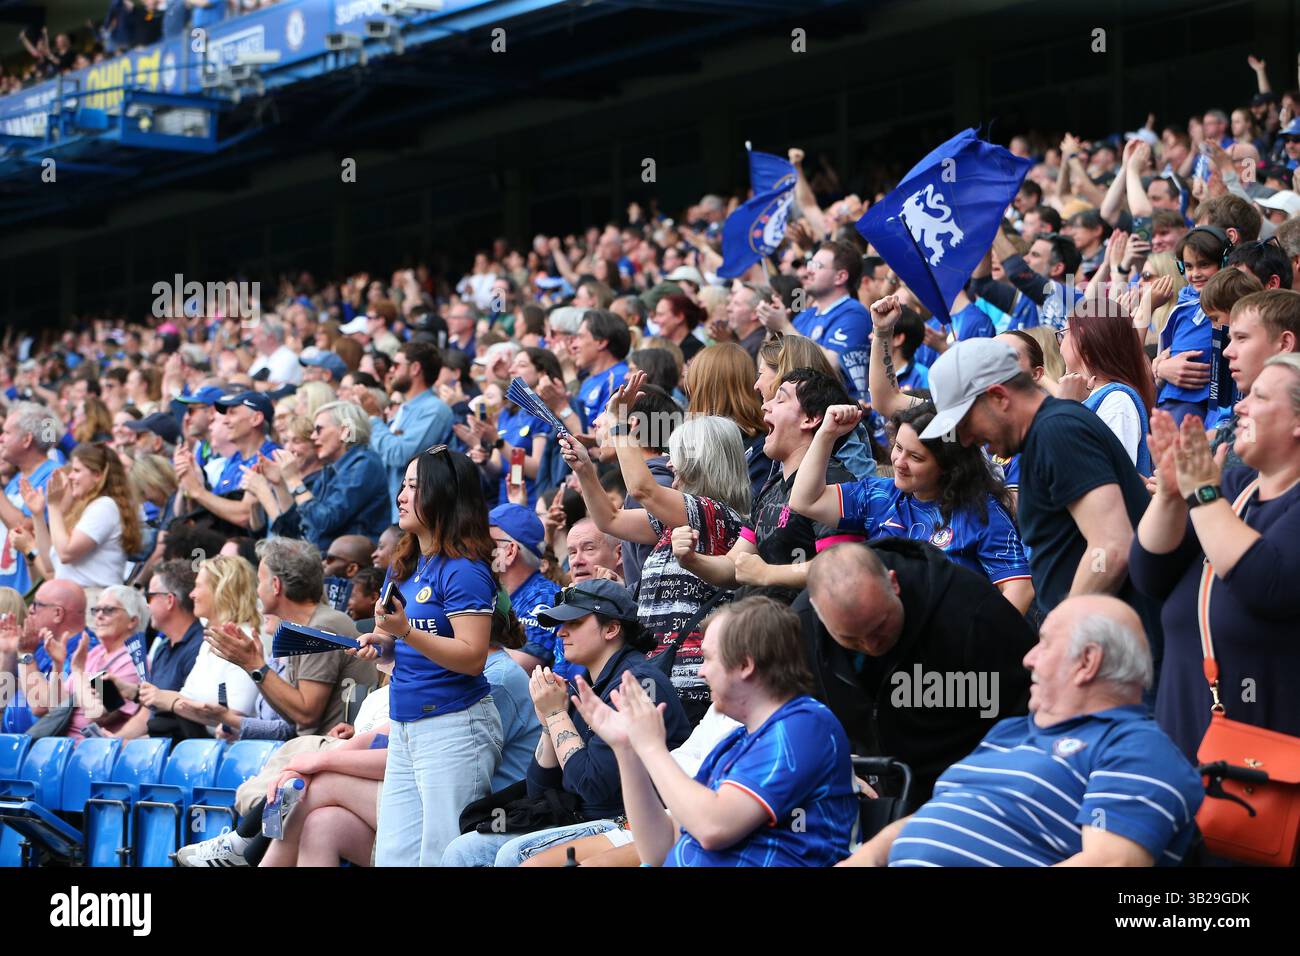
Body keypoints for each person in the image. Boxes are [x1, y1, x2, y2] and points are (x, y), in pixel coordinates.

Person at [840, 596, 1204, 867]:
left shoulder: (1136, 747)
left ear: (1087, 662)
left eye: (1045, 642)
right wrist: (867, 858)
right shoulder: (1009, 733)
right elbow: (933, 817)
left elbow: (1111, 863)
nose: (1028, 657)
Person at [577, 596, 857, 866]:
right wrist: (626, 749)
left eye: (709, 659)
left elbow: (713, 827)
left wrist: (652, 747)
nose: (701, 672)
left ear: (745, 665)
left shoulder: (804, 725)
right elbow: (657, 849)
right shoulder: (736, 742)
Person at [923, 339, 1160, 643]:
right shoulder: (1047, 433)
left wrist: (1060, 631)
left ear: (998, 397)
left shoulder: (1057, 432)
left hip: (1118, 650)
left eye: (966, 422)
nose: (967, 439)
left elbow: (1111, 548)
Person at [438, 580, 690, 866]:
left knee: (513, 854)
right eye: (560, 623)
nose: (561, 632)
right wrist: (549, 723)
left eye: (575, 622)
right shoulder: (585, 683)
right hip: (580, 817)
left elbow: (591, 786)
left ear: (611, 629)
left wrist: (557, 716)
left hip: (628, 824)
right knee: (463, 850)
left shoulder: (638, 684)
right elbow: (539, 790)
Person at [1131, 355, 1300, 760]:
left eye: (1258, 396)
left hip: (1263, 783)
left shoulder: (1217, 492)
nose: (1240, 405)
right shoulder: (1232, 485)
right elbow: (1150, 575)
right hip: (1184, 764)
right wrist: (1173, 495)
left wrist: (1202, 494)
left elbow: (1266, 583)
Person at [560, 373, 750, 724]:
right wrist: (586, 470)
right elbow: (611, 520)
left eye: (676, 455)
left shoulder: (714, 515)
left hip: (694, 685)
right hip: (663, 680)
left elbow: (644, 489)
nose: (670, 463)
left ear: (701, 460)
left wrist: (618, 423)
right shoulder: (680, 518)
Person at [352, 446, 503, 866]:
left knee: (444, 854)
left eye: (414, 486)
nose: (401, 495)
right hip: (405, 722)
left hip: (454, 726)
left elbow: (473, 657)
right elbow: (391, 638)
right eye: (402, 485)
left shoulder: (465, 569)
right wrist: (381, 642)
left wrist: (406, 633)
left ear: (443, 495)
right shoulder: (405, 564)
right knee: (394, 856)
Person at [794, 542, 1036, 803]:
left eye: (880, 626)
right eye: (851, 640)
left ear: (893, 583)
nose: (871, 645)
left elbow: (1032, 709)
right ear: (819, 614)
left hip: (972, 787)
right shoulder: (802, 628)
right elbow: (793, 719)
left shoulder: (972, 613)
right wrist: (834, 762)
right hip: (868, 789)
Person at [792, 399, 1033, 613]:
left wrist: (976, 644)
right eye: (898, 448)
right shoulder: (879, 495)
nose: (899, 462)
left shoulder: (982, 512)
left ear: (949, 466)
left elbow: (1019, 590)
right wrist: (826, 434)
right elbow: (805, 500)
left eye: (915, 457)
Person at [679, 368, 858, 599]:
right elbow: (735, 566)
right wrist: (692, 559)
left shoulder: (836, 483)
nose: (765, 405)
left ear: (811, 419)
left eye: (780, 399)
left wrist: (767, 573)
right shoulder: (772, 487)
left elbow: (840, 566)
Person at [198, 538, 378, 741]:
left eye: (259, 581)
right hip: (314, 749)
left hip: (330, 751)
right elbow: (292, 717)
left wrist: (253, 665)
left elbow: (306, 715)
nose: (256, 591)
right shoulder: (298, 629)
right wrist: (256, 666)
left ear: (275, 586)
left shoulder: (321, 627)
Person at [152, 556, 261, 744]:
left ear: (221, 591)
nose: (192, 594)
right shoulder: (210, 640)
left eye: (198, 586)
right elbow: (187, 697)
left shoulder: (242, 640)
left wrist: (170, 701)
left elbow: (232, 720)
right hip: (203, 748)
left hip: (230, 754)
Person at [27, 585, 147, 741]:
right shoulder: (95, 653)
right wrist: (58, 664)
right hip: (63, 745)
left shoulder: (134, 660)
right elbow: (56, 707)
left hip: (90, 751)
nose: (99, 616)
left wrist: (78, 671)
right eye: (96, 610)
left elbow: (98, 714)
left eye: (109, 610)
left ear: (132, 621)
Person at [23, 443, 141, 596]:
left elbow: (66, 554)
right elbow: (49, 565)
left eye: (77, 470)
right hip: (72, 600)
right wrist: (37, 514)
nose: (71, 476)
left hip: (94, 604)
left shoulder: (105, 506)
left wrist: (53, 505)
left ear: (97, 475)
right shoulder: (88, 509)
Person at [1055, 306, 1157, 476]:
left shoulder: (1117, 402)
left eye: (1063, 334)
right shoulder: (1087, 397)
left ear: (1082, 341)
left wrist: (1065, 409)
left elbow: (1105, 478)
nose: (1059, 345)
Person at [109, 560, 204, 740]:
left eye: (150, 597)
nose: (147, 605)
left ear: (169, 600)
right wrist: (113, 742)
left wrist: (130, 745)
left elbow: (190, 715)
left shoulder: (200, 647)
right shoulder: (162, 648)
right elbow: (146, 715)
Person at [277, 401, 390, 551]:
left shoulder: (364, 463)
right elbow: (301, 527)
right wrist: (278, 483)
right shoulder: (331, 468)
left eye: (319, 429)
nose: (313, 436)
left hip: (353, 565)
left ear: (344, 431)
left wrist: (293, 480)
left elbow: (325, 520)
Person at [363, 341, 453, 522]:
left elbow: (400, 454)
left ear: (415, 368)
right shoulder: (405, 408)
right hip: (394, 512)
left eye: (396, 365)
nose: (390, 371)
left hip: (419, 515)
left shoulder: (435, 410)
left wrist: (373, 417)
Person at [1214, 289, 1300, 467]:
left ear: (1284, 344)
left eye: (1241, 338)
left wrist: (1197, 491)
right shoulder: (1246, 415)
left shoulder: (1268, 428)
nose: (1227, 352)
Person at [1152, 227, 1228, 425]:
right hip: (1174, 396)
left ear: (1224, 262)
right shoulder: (1186, 299)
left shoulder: (1229, 302)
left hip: (1208, 400)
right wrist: (1160, 366)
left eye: (1204, 265)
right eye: (1188, 266)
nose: (1195, 274)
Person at [488, 503, 571, 677]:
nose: (474, 549)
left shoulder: (545, 598)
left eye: (484, 541)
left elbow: (512, 670)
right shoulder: (492, 593)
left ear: (509, 553)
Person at [0, 580, 88, 734]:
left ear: (58, 613)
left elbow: (42, 705)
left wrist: (25, 654)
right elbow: (3, 697)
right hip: (13, 745)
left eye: (37, 604)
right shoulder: (38, 646)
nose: (30, 610)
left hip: (48, 751)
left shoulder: (84, 651)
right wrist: (9, 653)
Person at [685, 344, 768, 499]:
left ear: (704, 388)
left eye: (693, 381)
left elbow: (745, 513)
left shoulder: (762, 448)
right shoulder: (696, 439)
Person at [0, 402, 61, 596]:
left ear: (26, 440)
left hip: (29, 592)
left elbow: (26, 528)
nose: (1, 438)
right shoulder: (17, 479)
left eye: (7, 433)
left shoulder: (52, 476)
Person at [571, 310, 631, 431]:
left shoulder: (619, 379)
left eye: (580, 337)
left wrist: (562, 409)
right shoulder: (588, 381)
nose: (573, 346)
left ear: (601, 342)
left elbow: (602, 439)